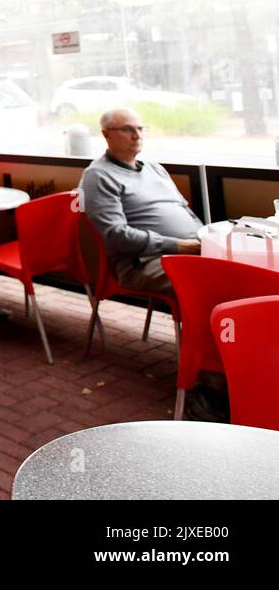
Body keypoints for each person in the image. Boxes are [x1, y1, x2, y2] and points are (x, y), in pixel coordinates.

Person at [80, 107, 225, 420]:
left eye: (141, 129)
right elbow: (116, 236)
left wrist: (208, 238)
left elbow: (182, 210)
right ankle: (209, 389)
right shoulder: (98, 176)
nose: (137, 136)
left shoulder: (154, 168)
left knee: (243, 279)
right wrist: (178, 245)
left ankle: (239, 367)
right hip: (142, 262)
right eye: (127, 130)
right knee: (210, 292)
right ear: (106, 135)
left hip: (190, 251)